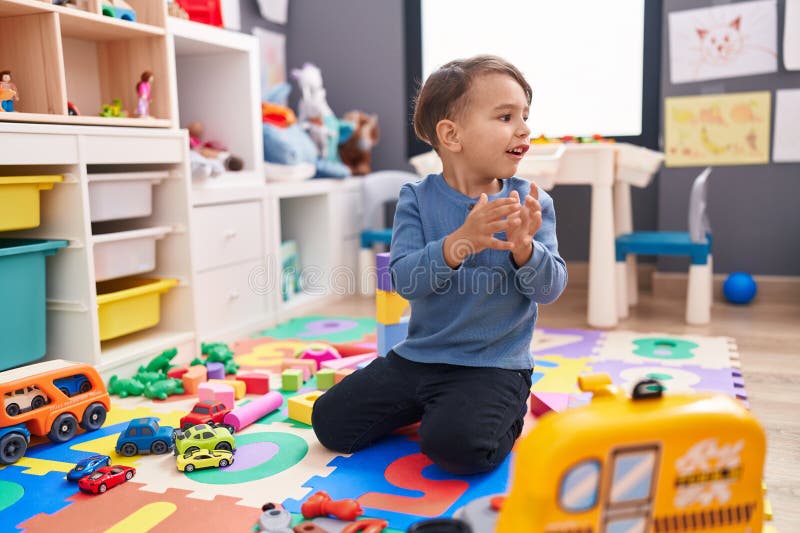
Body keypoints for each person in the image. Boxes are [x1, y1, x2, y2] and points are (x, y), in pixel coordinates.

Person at [312, 55, 567, 475]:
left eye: (525, 115)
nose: (524, 128)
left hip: (492, 365)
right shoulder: (417, 198)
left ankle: (501, 410)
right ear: (451, 135)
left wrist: (525, 249)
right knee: (329, 422)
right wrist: (458, 243)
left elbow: (549, 288)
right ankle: (434, 406)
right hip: (418, 358)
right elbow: (406, 281)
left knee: (456, 448)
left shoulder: (531, 203)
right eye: (506, 116)